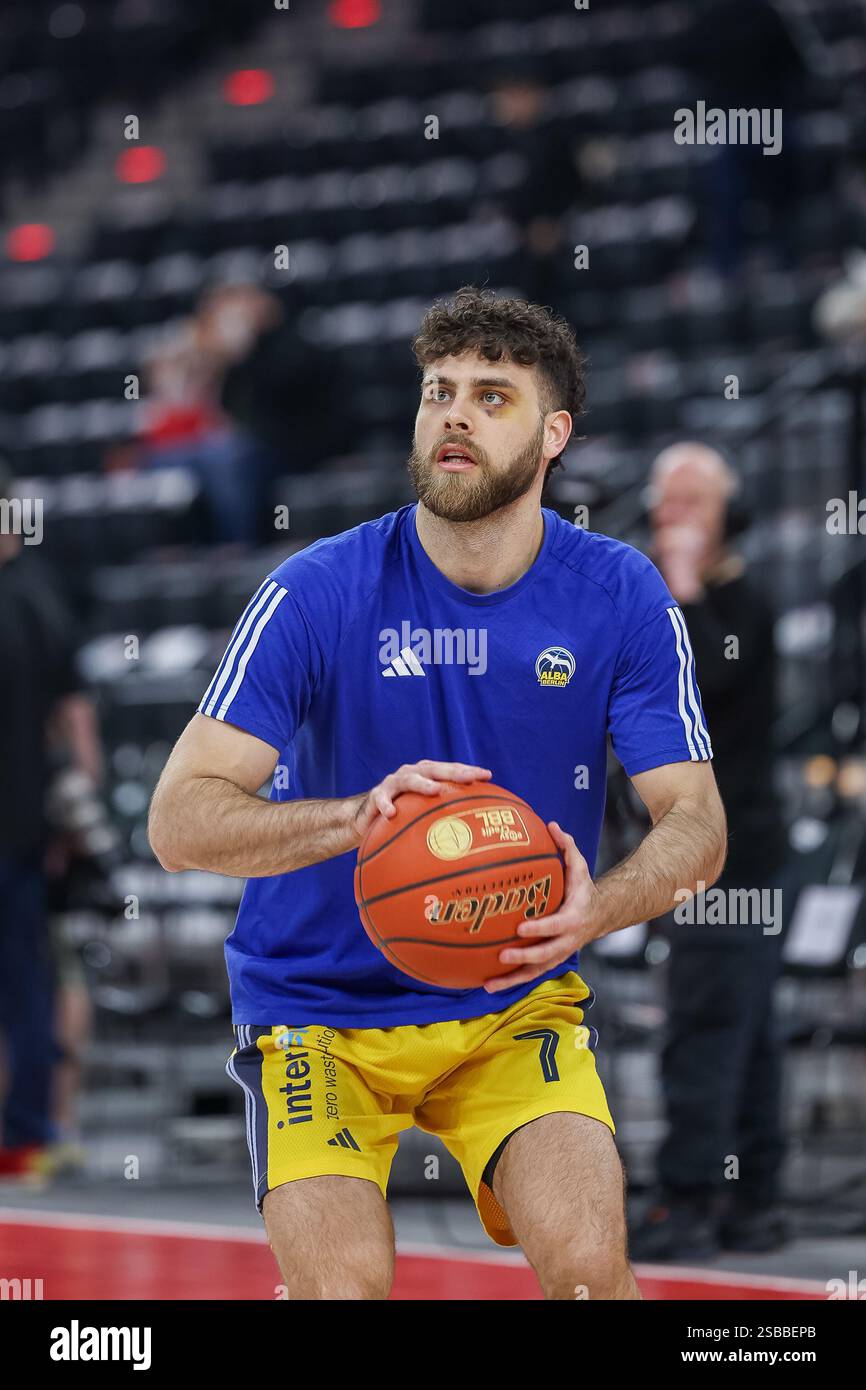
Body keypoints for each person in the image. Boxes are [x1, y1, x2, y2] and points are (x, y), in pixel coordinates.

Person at [148, 287, 727, 1300]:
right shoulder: (315, 590)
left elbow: (695, 822)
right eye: (438, 391)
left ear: (553, 433)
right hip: (314, 1012)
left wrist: (602, 904)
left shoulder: (620, 593)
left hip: (510, 999)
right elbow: (176, 821)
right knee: (345, 1292)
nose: (453, 413)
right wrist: (353, 816)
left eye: (490, 396)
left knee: (593, 1271)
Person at [630, 442, 790, 1260]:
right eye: (666, 502)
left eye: (694, 501)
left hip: (731, 856)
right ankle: (754, 1200)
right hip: (710, 852)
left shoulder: (739, 605)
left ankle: (686, 1200)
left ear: (731, 513)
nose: (674, 517)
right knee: (746, 1028)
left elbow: (707, 685)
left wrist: (685, 583)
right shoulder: (653, 597)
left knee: (708, 1021)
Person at [0, 467, 103, 1178]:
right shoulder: (42, 597)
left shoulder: (30, 599)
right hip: (31, 826)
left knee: (36, 978)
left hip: (22, 828)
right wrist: (82, 804)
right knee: (33, 978)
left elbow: (73, 712)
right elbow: (75, 714)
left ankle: (33, 1128)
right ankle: (33, 1130)